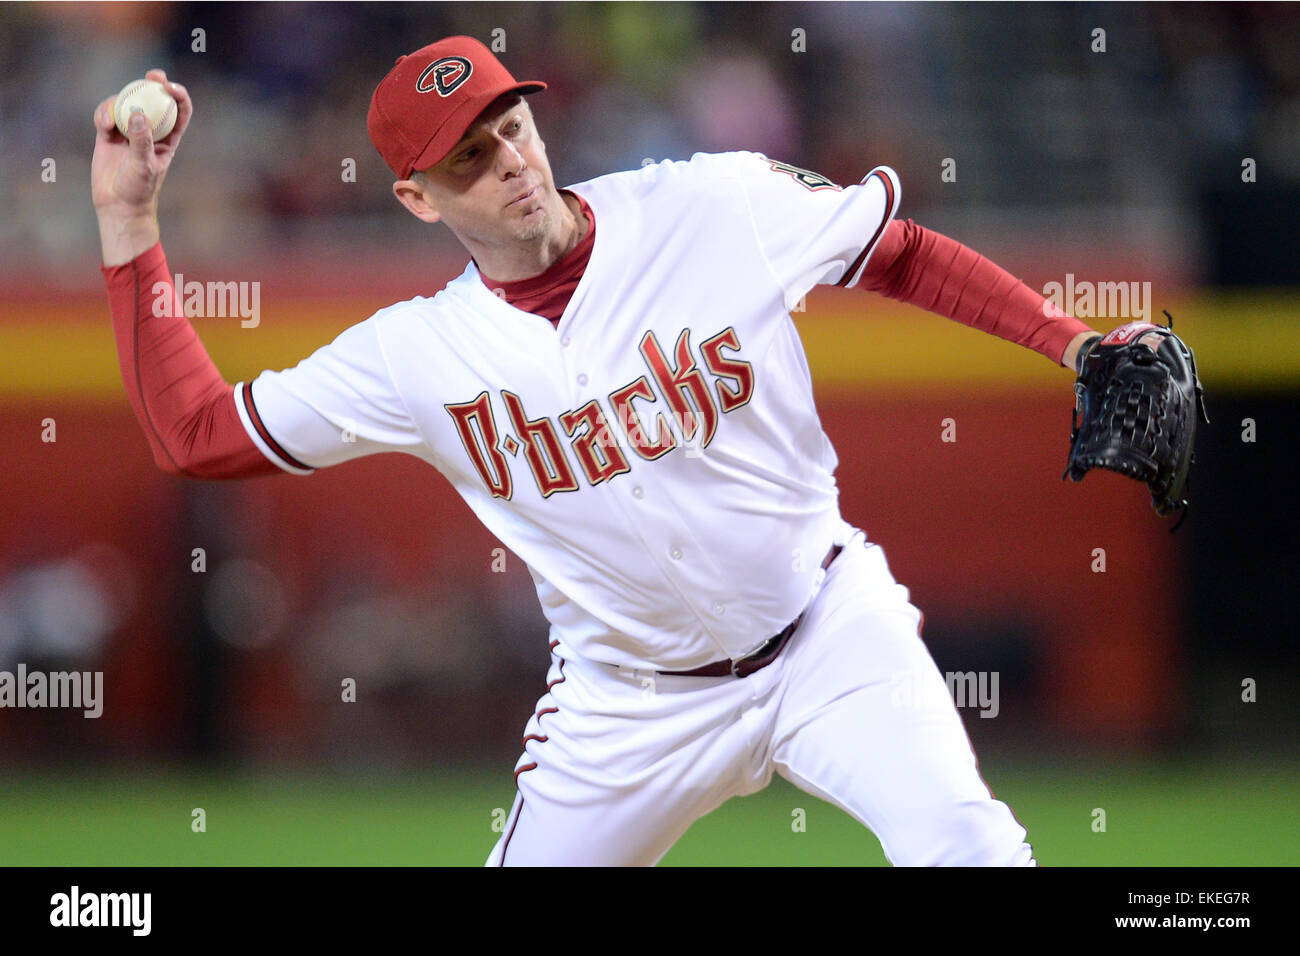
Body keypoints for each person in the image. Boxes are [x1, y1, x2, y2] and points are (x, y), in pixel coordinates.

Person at [93, 37, 1101, 866]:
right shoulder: (416, 356)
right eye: (469, 160)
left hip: (826, 629)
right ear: (417, 198)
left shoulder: (708, 205)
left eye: (512, 127)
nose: (512, 163)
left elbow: (899, 252)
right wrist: (129, 218)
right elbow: (196, 433)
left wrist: (1077, 343)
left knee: (972, 850)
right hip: (628, 703)